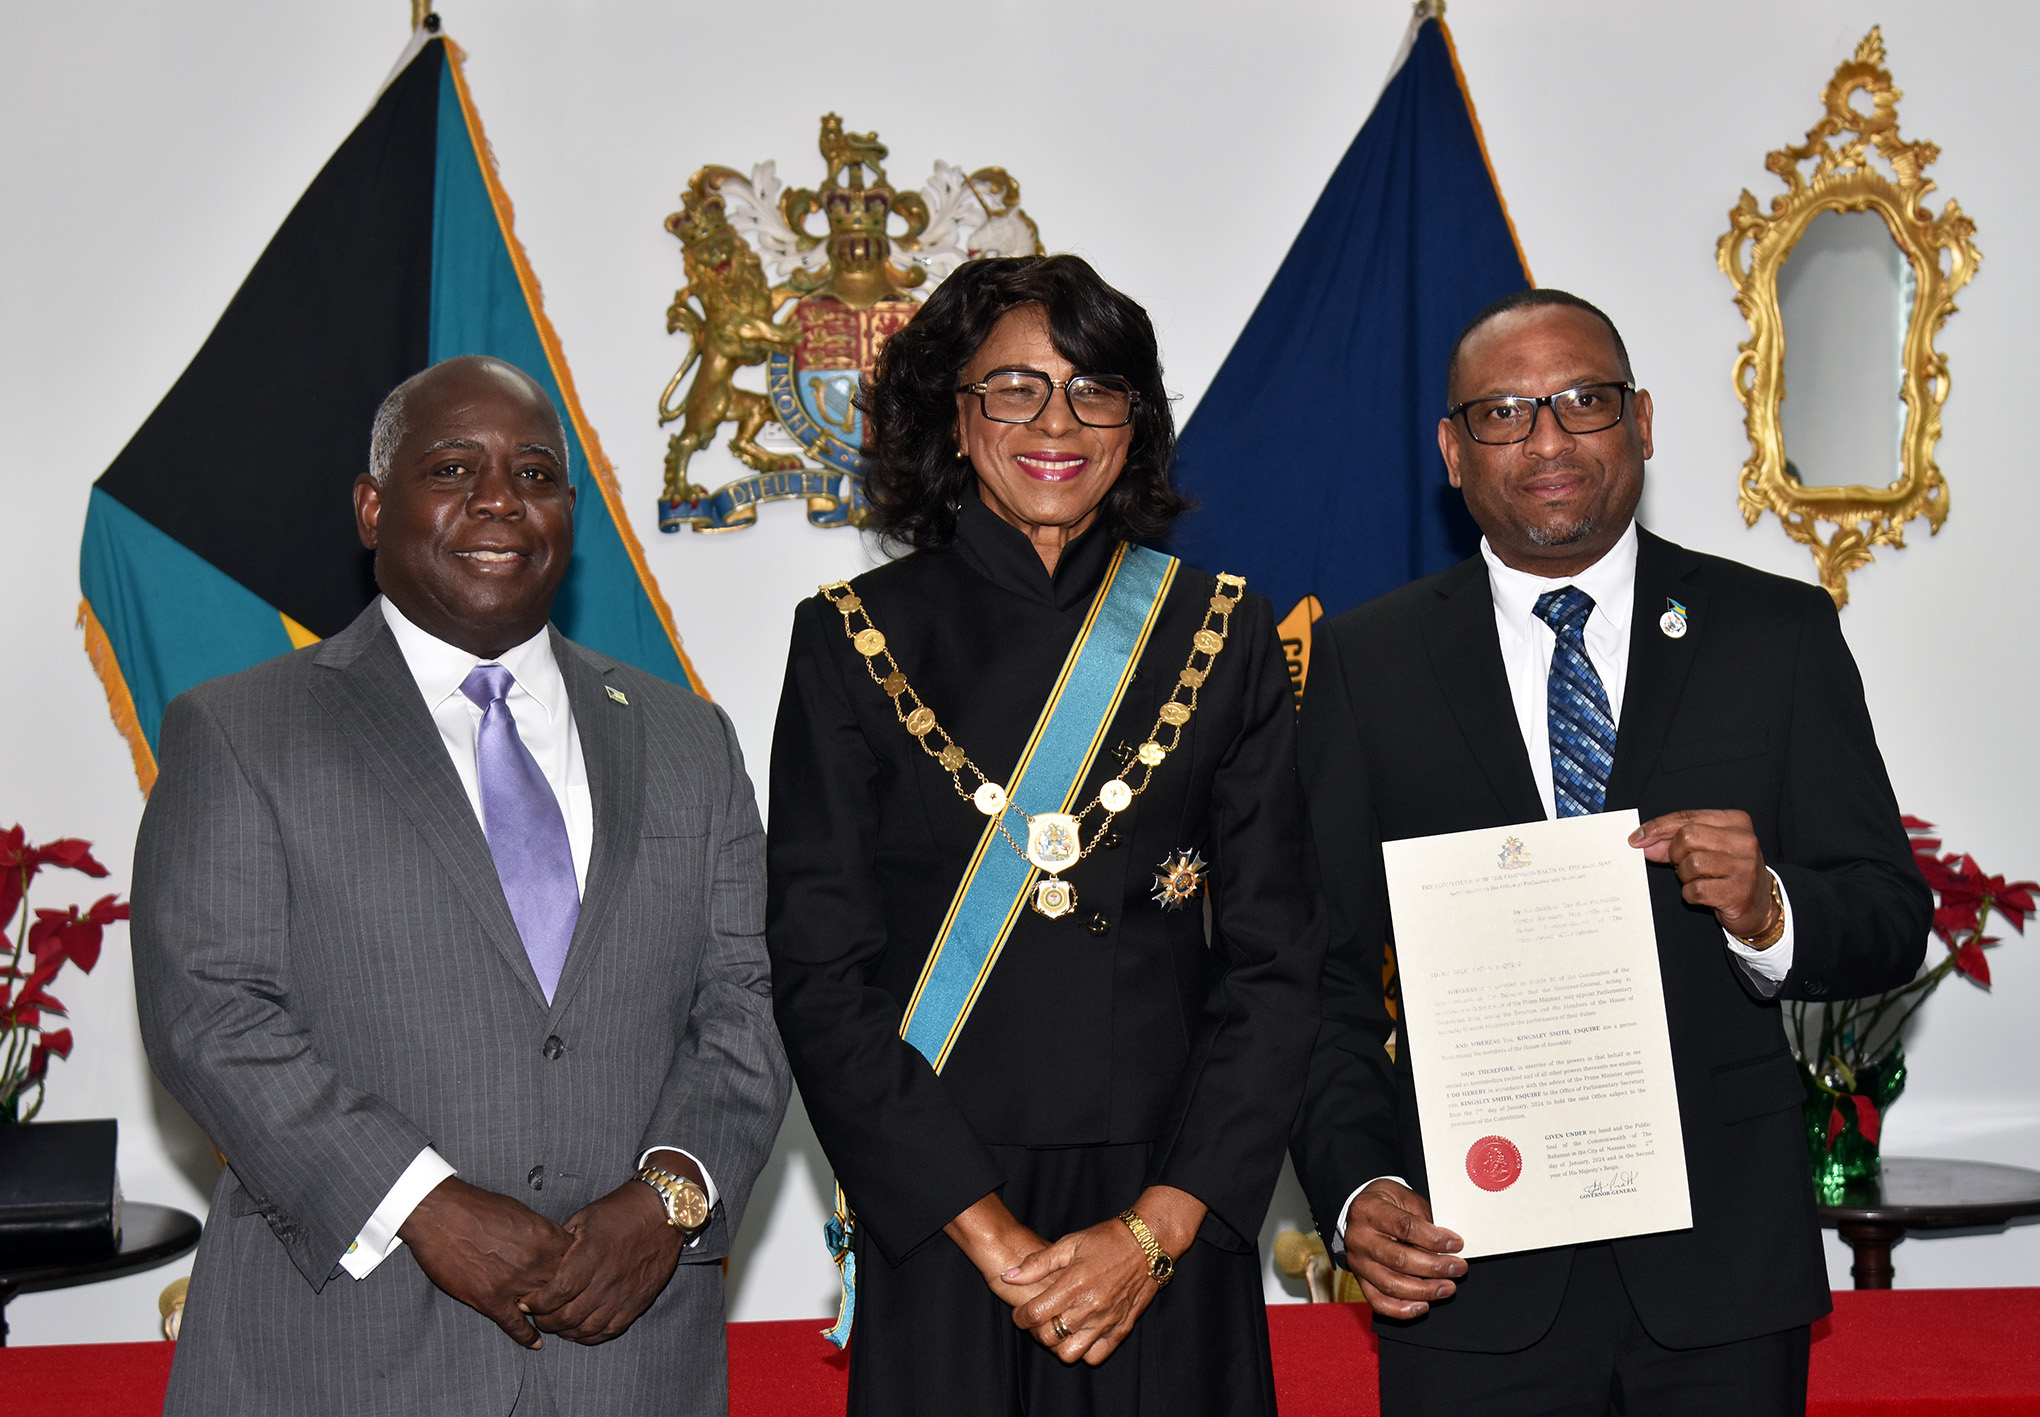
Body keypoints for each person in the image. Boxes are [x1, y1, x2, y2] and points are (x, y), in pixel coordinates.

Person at [1289, 290, 1931, 1416]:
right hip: (1465, 1268)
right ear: (1451, 449)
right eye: (1503, 412)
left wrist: (1770, 907)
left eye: (1583, 400)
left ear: (1640, 419)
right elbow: (1313, 972)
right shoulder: (1363, 662)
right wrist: (1356, 1187)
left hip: (1722, 1277)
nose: (1547, 438)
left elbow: (1885, 913)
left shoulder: (1776, 633)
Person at [132, 355, 790, 1416]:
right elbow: (210, 1014)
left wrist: (668, 1202)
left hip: (627, 1360)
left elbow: (745, 1005)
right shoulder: (242, 730)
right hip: (342, 1355)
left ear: (569, 514)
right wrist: (422, 1201)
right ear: (372, 506)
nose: (499, 499)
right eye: (453, 467)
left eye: (534, 474)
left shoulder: (686, 739)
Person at [766, 254, 1323, 1416]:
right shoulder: (849, 638)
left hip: (1170, 1210)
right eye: (1013, 389)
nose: (1056, 423)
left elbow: (1276, 966)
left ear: (1135, 421)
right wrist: (987, 1233)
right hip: (949, 1211)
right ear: (954, 418)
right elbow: (821, 975)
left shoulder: (1223, 630)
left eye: (1093, 389)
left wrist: (1159, 1230)